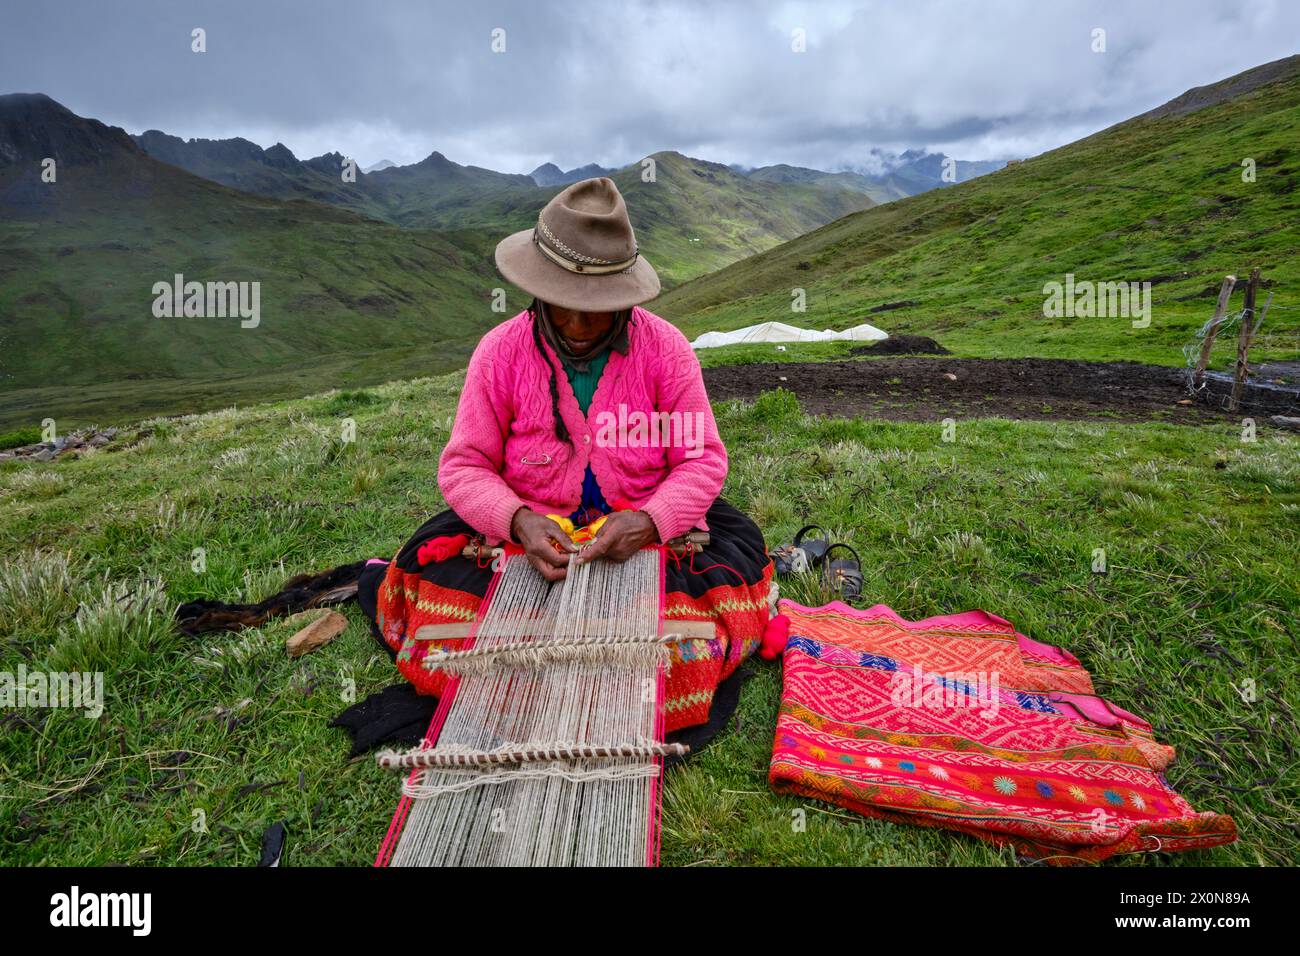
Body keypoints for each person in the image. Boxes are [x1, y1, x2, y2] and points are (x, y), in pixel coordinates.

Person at [357, 177, 772, 733]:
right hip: (522, 544)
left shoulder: (667, 351)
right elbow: (464, 466)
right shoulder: (499, 353)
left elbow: (701, 463)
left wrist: (650, 521)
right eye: (563, 306)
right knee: (452, 642)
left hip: (646, 543)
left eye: (595, 309)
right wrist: (519, 521)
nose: (577, 326)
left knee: (677, 660)